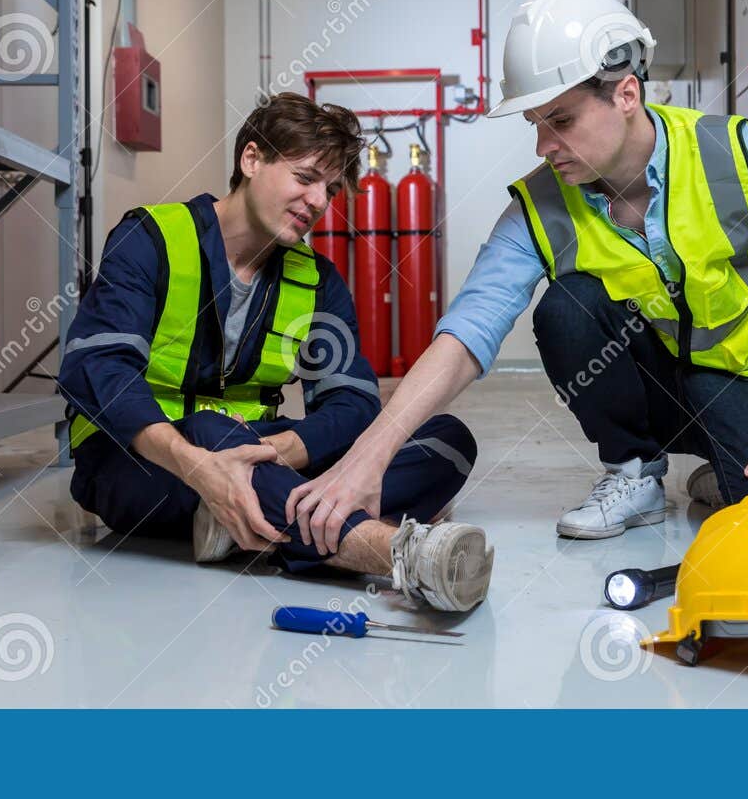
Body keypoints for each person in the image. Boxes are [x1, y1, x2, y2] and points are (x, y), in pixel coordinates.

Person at [286, 0, 748, 554]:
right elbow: (466, 334)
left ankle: (723, 470)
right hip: (646, 394)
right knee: (568, 306)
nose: (544, 146)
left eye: (560, 121)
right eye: (536, 124)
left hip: (741, 382)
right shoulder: (540, 205)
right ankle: (634, 471)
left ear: (625, 93)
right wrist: (368, 457)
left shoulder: (732, 155)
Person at [58, 93, 492, 612]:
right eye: (305, 177)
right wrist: (199, 465)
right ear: (251, 159)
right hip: (142, 460)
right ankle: (396, 552)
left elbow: (353, 402)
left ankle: (243, 517)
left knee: (446, 440)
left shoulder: (315, 278)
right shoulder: (151, 239)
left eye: (330, 189)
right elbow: (97, 369)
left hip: (253, 454)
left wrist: (274, 452)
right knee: (212, 430)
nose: (318, 201)